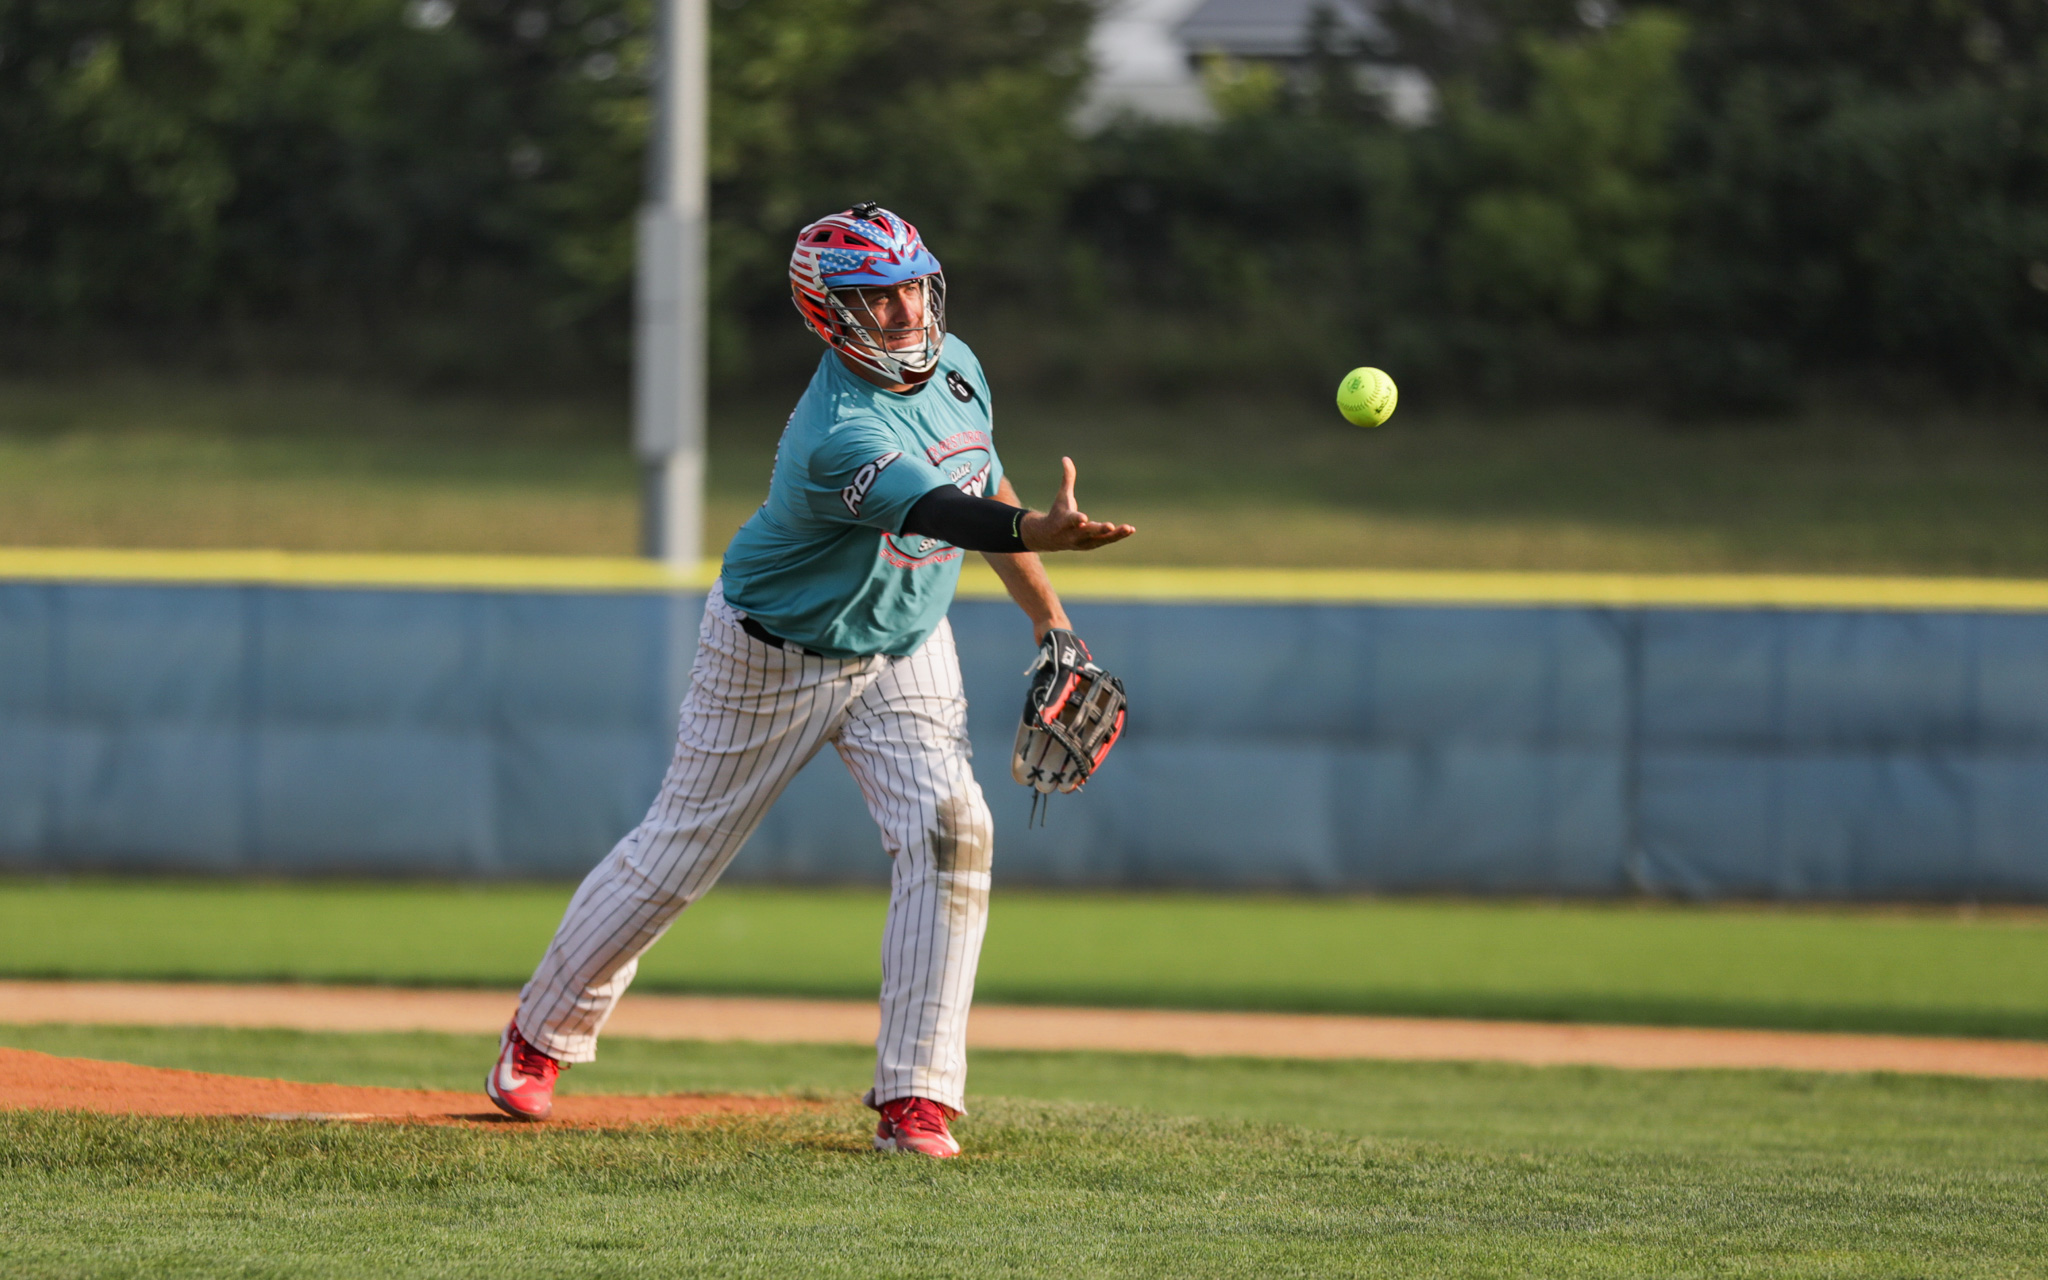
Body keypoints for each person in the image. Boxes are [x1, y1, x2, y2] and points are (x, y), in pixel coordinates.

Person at [485, 202, 1133, 1157]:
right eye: (878, 296)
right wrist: (1039, 533)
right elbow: (950, 513)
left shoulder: (957, 365)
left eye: (914, 286)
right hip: (773, 655)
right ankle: (540, 1034)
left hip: (905, 645)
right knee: (677, 860)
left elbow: (985, 479)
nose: (907, 310)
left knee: (955, 832)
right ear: (830, 313)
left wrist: (1052, 618)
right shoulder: (839, 432)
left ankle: (917, 1099)